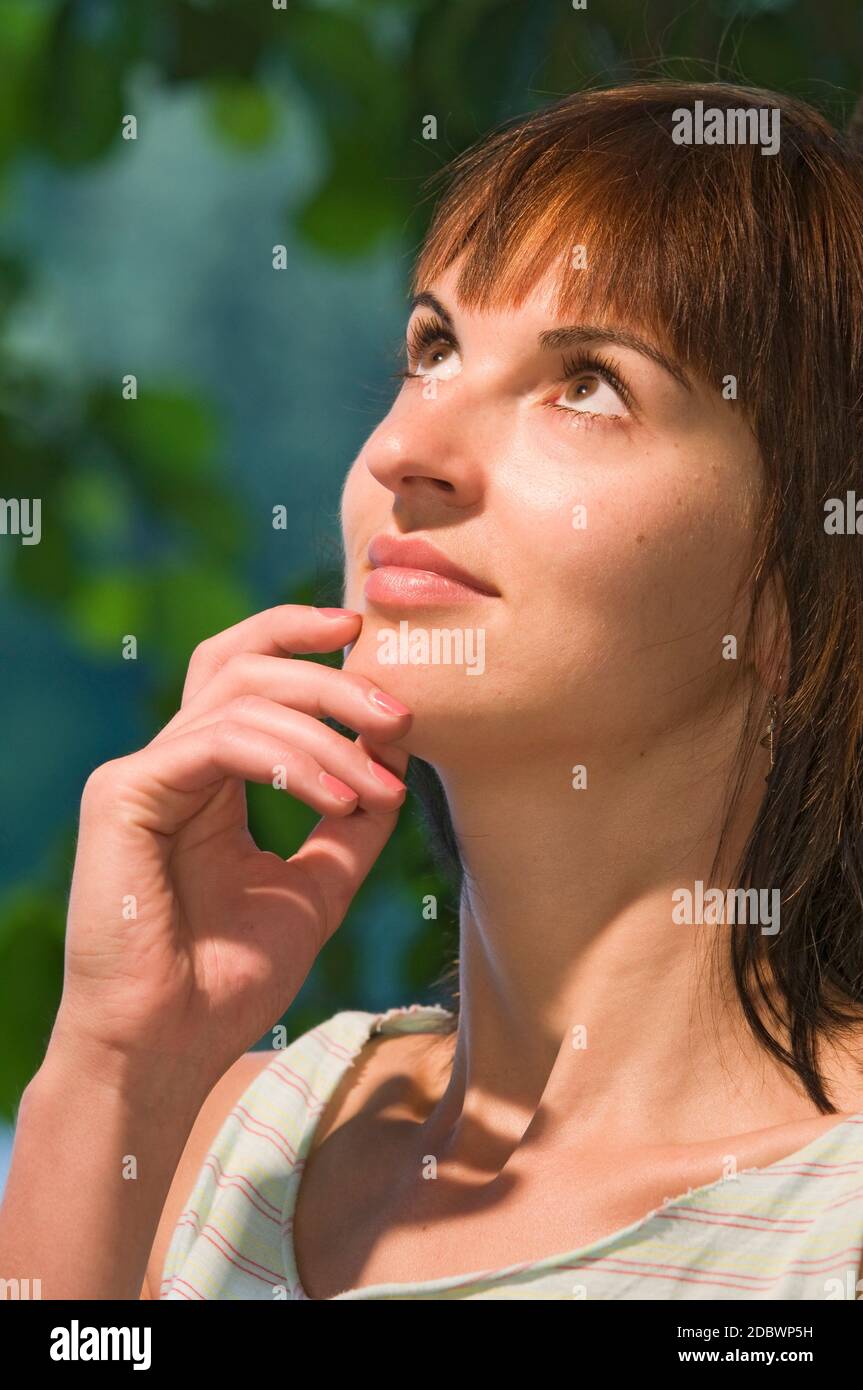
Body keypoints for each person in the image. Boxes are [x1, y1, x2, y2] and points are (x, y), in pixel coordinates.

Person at [2, 79, 863, 1302]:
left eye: (588, 383)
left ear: (795, 591)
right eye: (434, 350)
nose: (403, 450)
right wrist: (116, 1066)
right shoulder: (212, 1150)